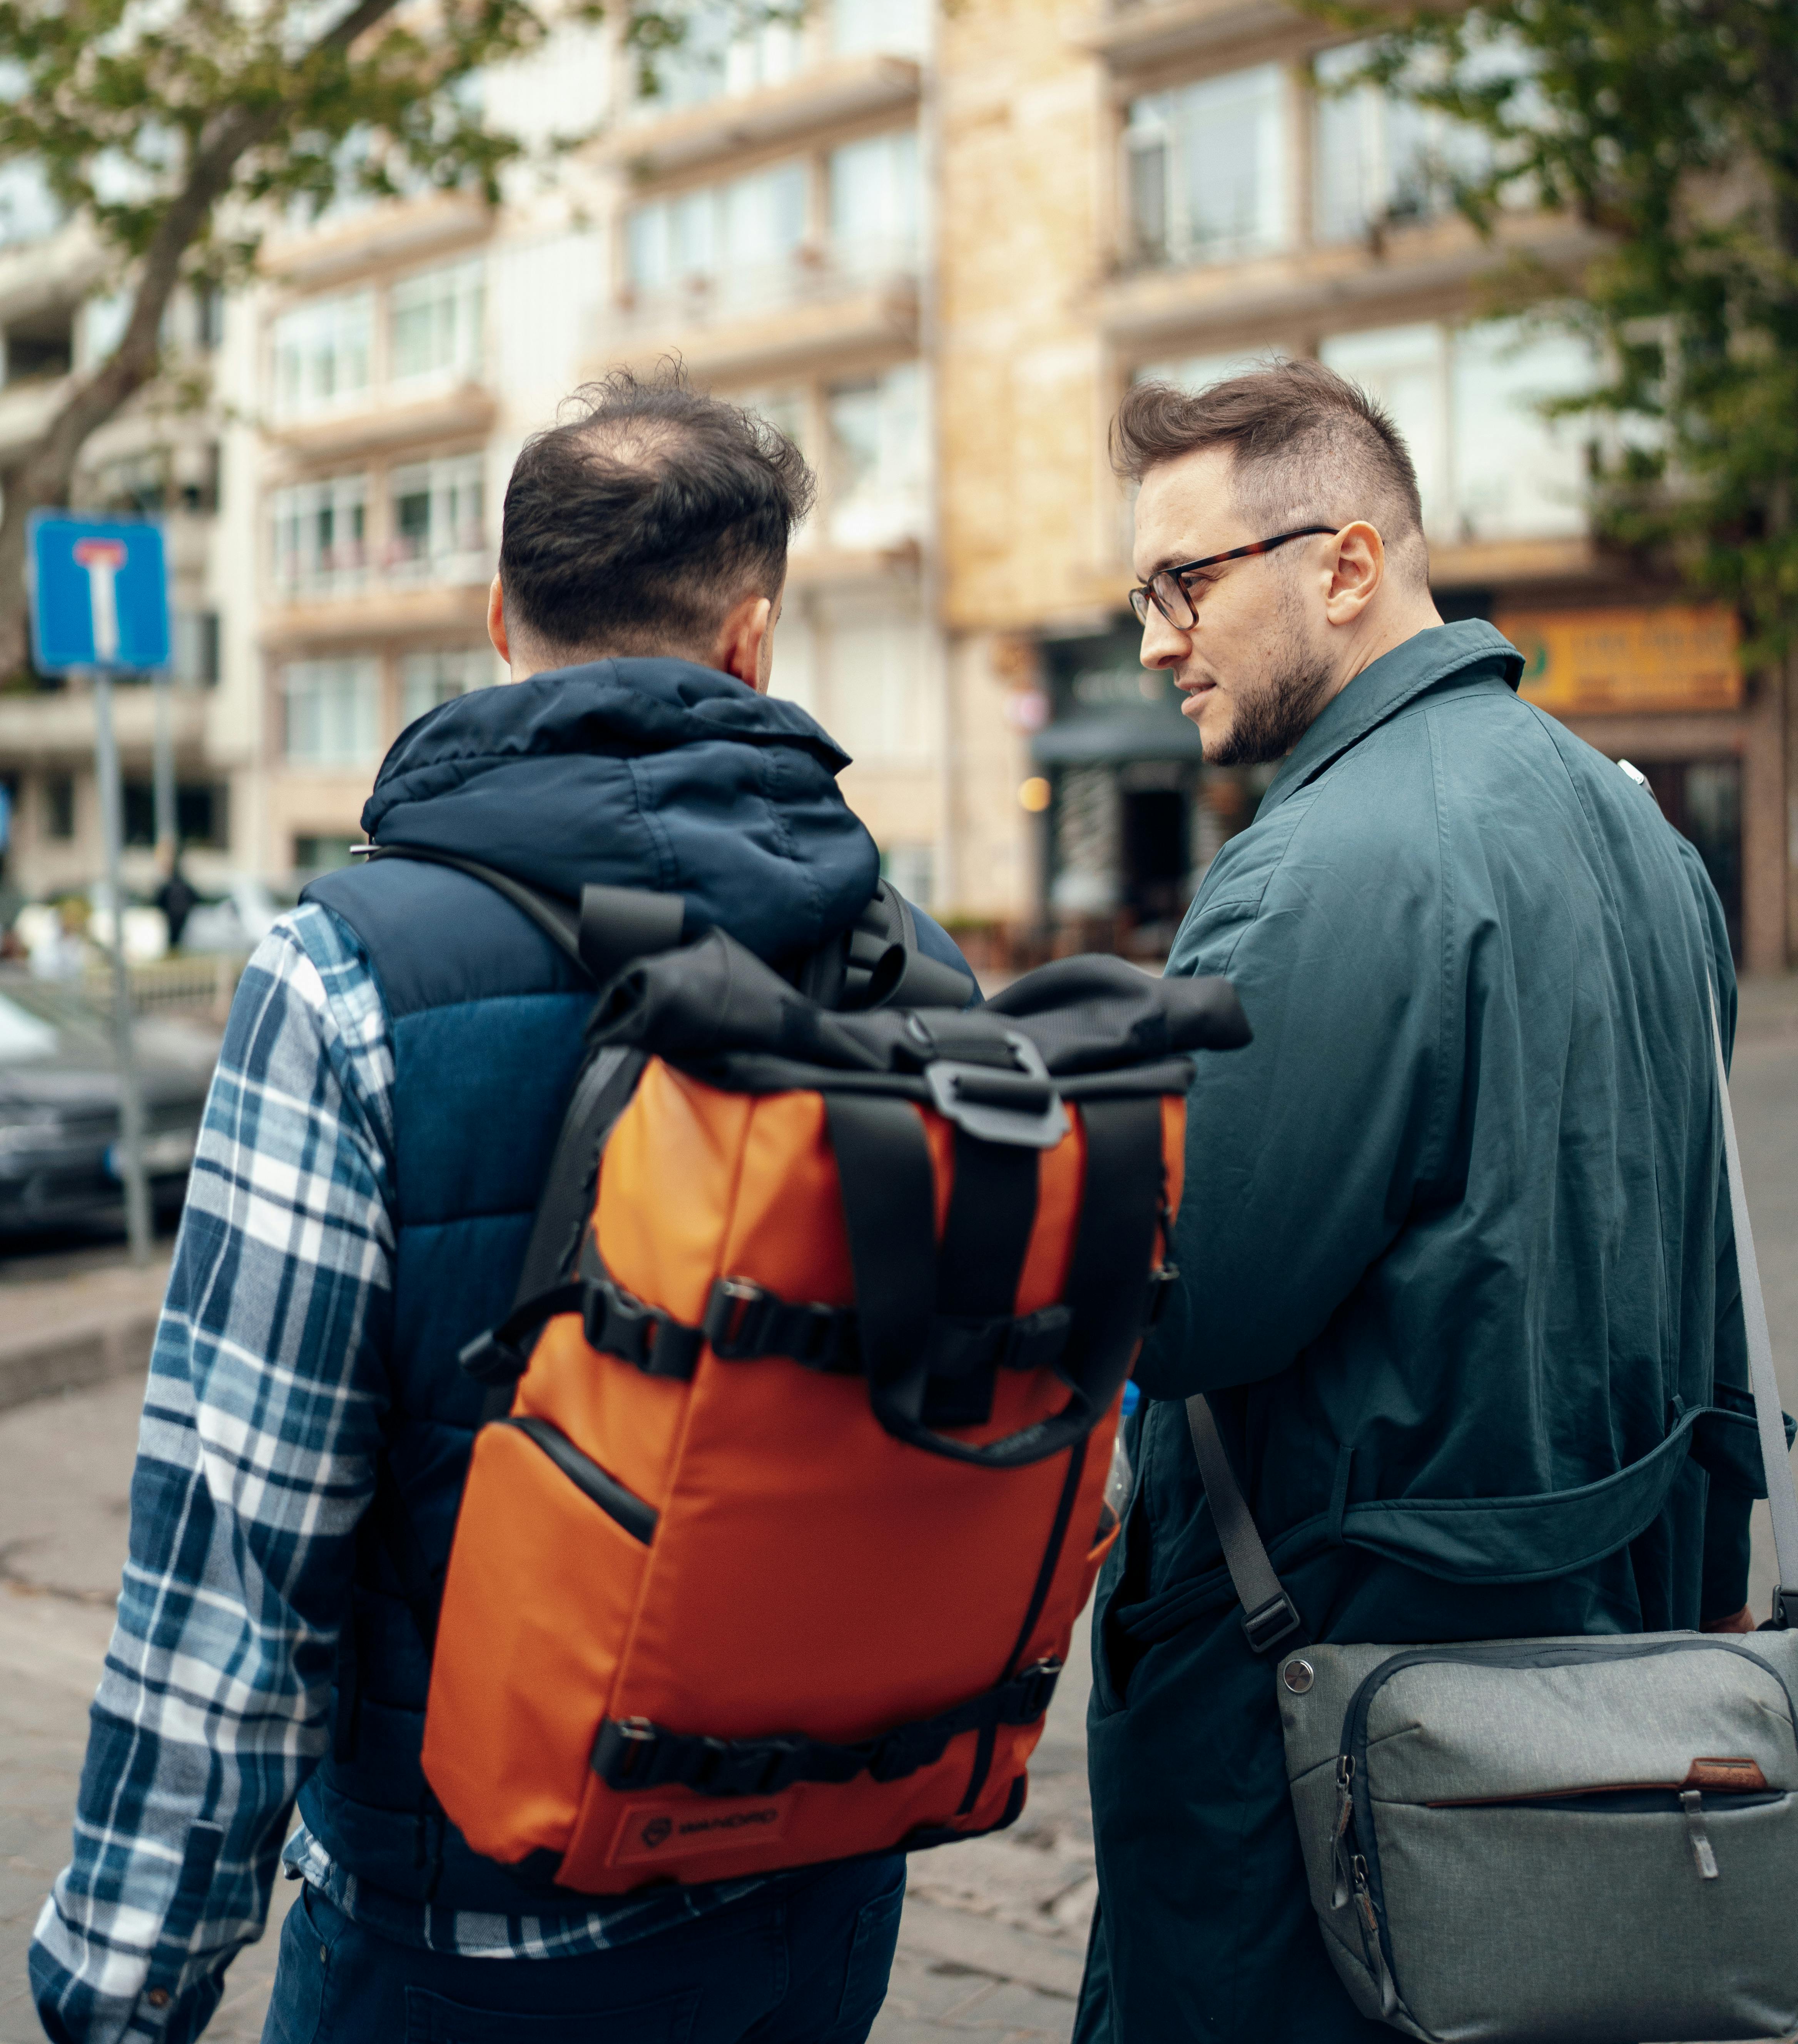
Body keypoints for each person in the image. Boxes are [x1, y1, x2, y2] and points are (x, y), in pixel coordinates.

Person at [33, 369, 969, 2044]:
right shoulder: (914, 959)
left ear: (495, 618)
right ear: (752, 642)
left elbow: (240, 1541)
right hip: (813, 1881)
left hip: (459, 1925)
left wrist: (124, 1980)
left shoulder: (344, 973)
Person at [1077, 359, 1756, 2044]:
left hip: (1329, 1699)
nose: (1156, 639)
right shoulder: (1637, 826)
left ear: (1347, 563)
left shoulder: (1314, 872)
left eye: (1184, 584)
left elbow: (1190, 1298)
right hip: (1609, 1667)